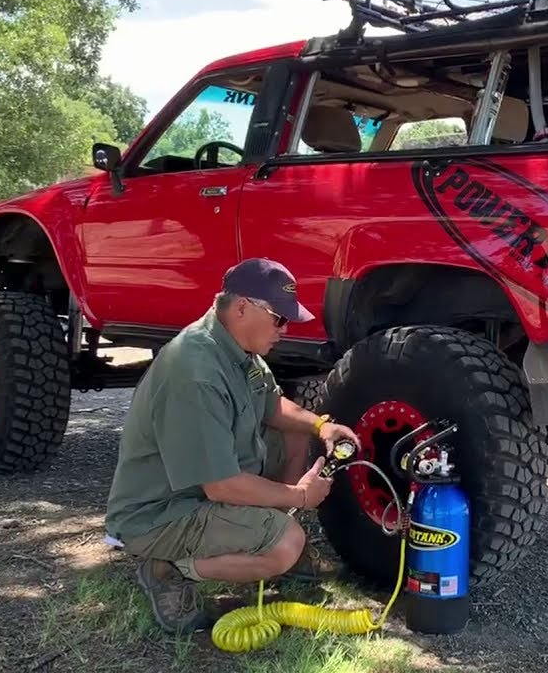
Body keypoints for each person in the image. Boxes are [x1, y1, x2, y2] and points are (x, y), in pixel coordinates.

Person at [103, 257, 361, 633]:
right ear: (242, 308)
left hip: (204, 489)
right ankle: (167, 569)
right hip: (162, 513)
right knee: (285, 545)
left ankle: (267, 530)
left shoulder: (237, 348)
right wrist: (300, 496)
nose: (284, 330)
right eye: (279, 319)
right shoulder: (195, 373)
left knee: (294, 430)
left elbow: (271, 404)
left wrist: (321, 426)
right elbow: (221, 485)